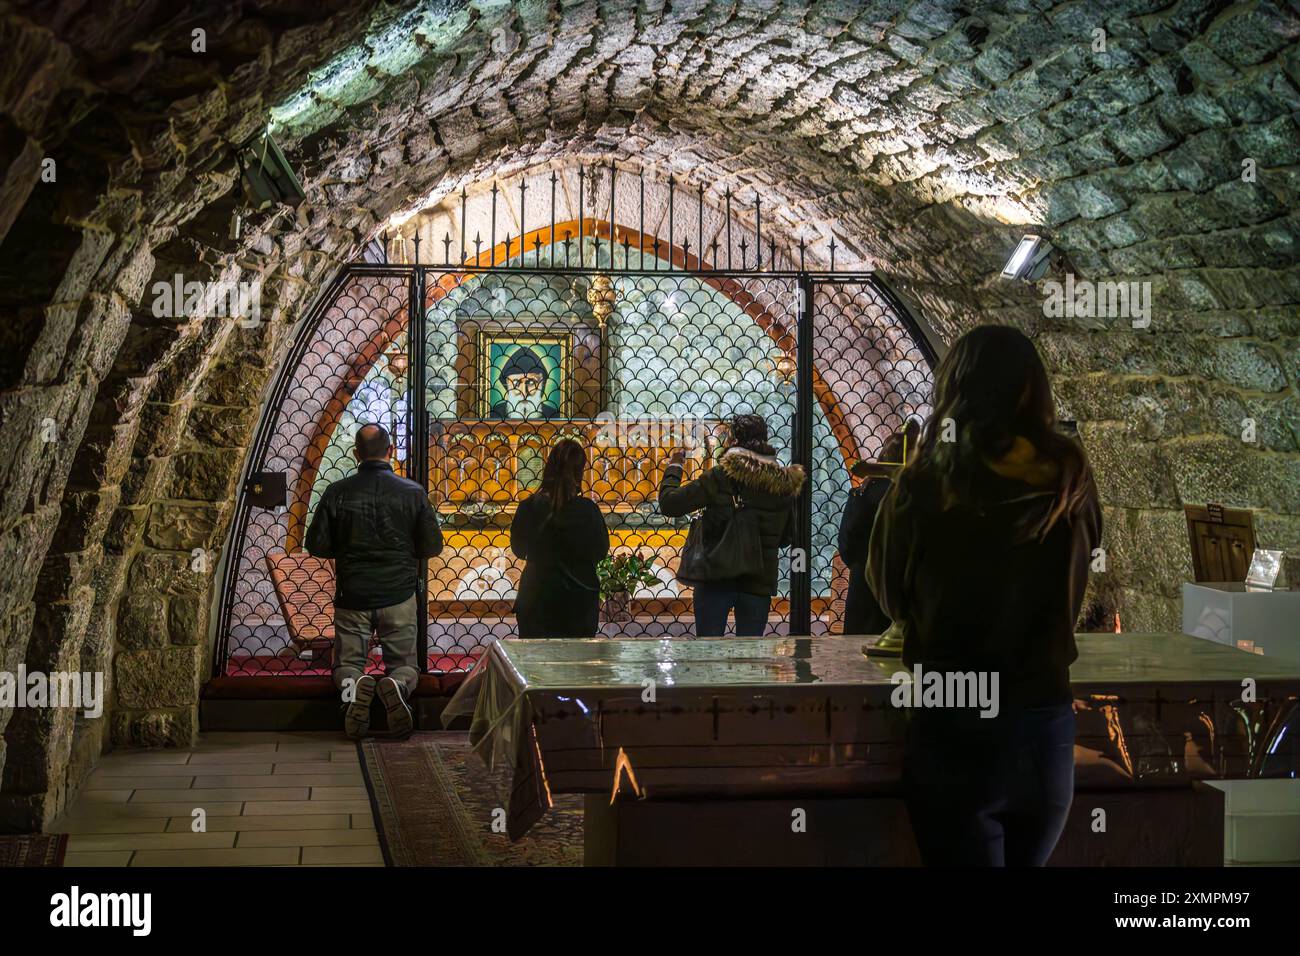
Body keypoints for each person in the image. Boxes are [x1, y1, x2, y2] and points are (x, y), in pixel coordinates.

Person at [867, 324, 1102, 866]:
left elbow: (890, 593)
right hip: (1043, 720)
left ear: (952, 388)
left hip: (953, 717)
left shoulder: (926, 482)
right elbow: (1079, 580)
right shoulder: (1069, 478)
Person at [306, 423, 444, 739]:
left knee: (345, 666)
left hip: (352, 593)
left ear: (356, 454)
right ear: (391, 452)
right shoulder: (413, 492)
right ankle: (396, 686)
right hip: (399, 594)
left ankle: (351, 696)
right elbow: (432, 546)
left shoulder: (337, 492)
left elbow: (317, 545)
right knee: (406, 665)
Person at [659, 414, 804, 637]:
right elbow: (786, 538)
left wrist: (675, 466)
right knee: (749, 656)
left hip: (716, 579)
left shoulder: (721, 477)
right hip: (759, 582)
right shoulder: (785, 484)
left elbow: (670, 504)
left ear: (733, 441)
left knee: (709, 655)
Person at [510, 438, 611, 637]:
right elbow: (601, 551)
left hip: (537, 596)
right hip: (579, 599)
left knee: (535, 663)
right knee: (577, 664)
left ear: (548, 467)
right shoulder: (588, 510)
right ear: (580, 471)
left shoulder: (529, 506)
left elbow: (519, 550)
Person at [836, 420, 918, 634]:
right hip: (905, 585)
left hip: (863, 585)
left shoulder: (862, 494)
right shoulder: (916, 494)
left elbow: (846, 546)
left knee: (858, 653)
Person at [490, 346, 559, 419]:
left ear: (541, 384)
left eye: (531, 383)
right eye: (516, 383)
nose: (524, 393)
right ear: (507, 384)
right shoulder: (493, 415)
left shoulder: (554, 416)